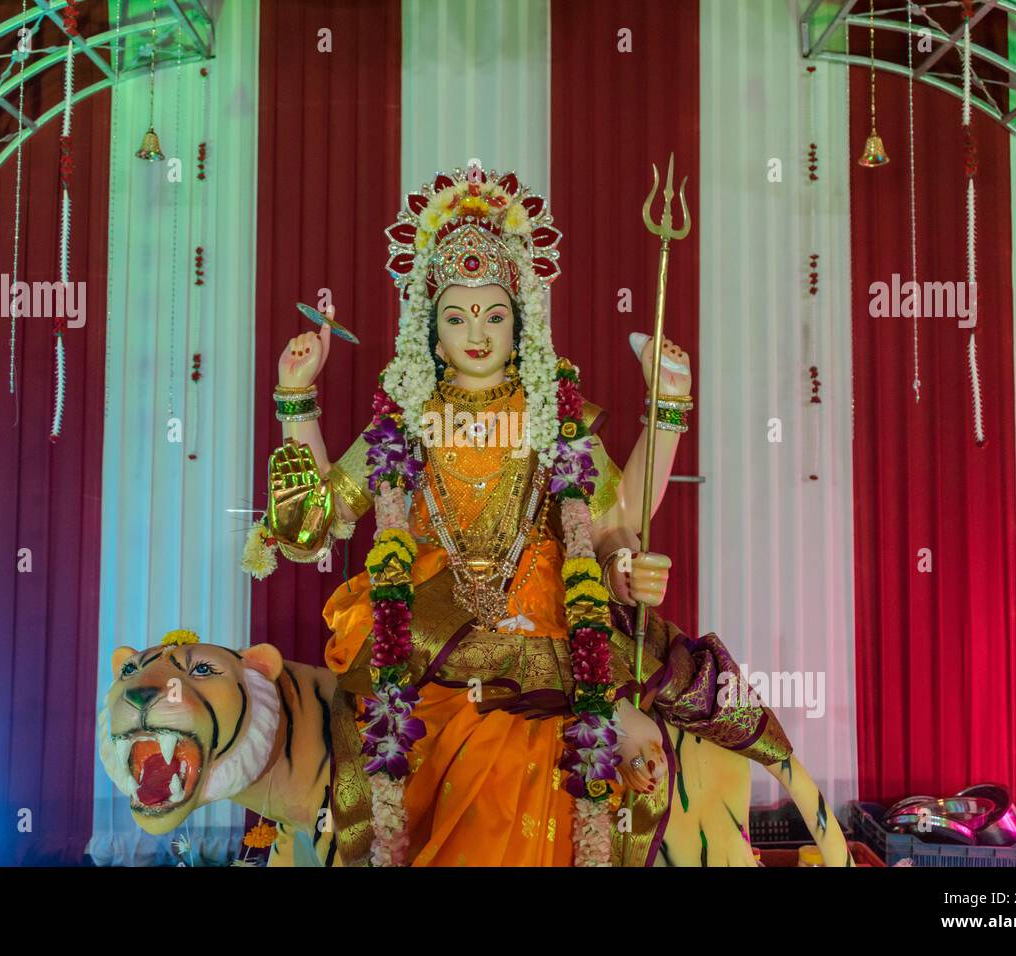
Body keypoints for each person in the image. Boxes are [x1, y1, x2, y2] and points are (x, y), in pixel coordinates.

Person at [250, 160, 829, 867]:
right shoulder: (403, 423)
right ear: (432, 335)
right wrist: (294, 399)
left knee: (574, 752)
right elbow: (321, 519)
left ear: (519, 324)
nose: (478, 332)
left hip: (545, 637)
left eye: (495, 314)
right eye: (458, 316)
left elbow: (622, 512)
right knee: (389, 762)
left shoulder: (552, 417)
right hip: (425, 642)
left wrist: (668, 405)